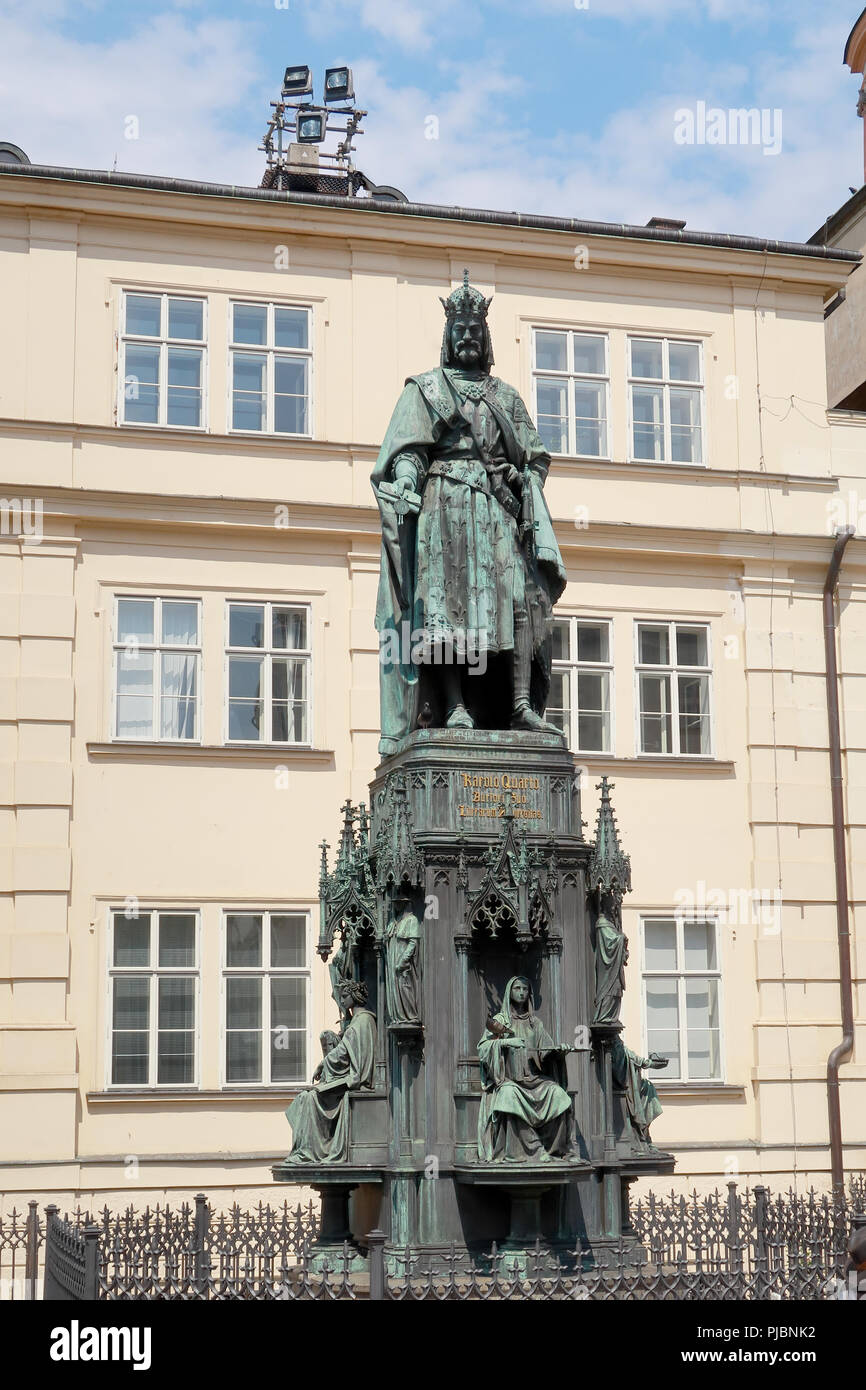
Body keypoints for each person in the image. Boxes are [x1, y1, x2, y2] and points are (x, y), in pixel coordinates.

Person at [371, 273, 567, 755]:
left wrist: (526, 484)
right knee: (446, 606)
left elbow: (535, 457)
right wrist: (407, 481)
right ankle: (454, 705)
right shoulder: (427, 389)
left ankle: (520, 704)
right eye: (459, 330)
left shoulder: (506, 396)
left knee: (521, 600)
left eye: (474, 330)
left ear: (485, 337)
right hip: (444, 508)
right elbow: (410, 451)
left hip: (497, 511)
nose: (467, 338)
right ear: (447, 336)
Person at [477, 976, 573, 1162]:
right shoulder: (501, 1021)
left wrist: (560, 1053)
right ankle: (523, 1152)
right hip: (510, 1081)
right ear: (509, 992)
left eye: (525, 989)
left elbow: (546, 1053)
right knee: (508, 1096)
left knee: (559, 1094)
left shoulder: (535, 1023)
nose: (521, 992)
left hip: (534, 1080)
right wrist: (506, 1042)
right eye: (517, 988)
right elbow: (482, 1048)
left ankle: (554, 1151)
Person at [284, 980, 376, 1163]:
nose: (342, 1001)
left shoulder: (362, 1022)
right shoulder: (357, 1021)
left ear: (354, 996)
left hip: (355, 1083)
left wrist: (324, 1063)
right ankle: (306, 1151)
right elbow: (343, 1052)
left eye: (344, 996)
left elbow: (343, 1056)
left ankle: (311, 1152)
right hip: (346, 1079)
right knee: (304, 1097)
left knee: (308, 1099)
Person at [384, 895, 422, 1024]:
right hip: (392, 959)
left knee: (405, 987)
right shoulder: (394, 921)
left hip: (403, 963)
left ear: (405, 904)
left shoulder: (412, 920)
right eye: (395, 903)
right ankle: (397, 1016)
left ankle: (410, 1016)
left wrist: (403, 960)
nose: (395, 905)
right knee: (394, 989)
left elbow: (413, 943)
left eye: (398, 903)